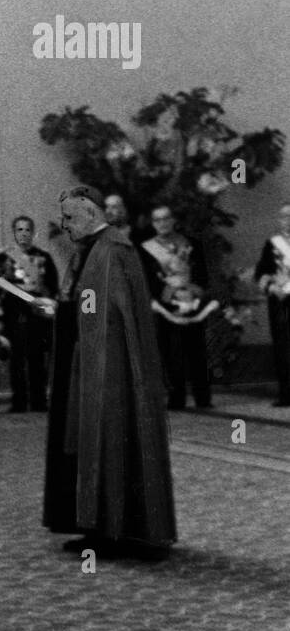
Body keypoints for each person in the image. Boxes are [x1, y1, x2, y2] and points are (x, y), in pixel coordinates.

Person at [36, 185, 175, 559]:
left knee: (112, 438)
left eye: (69, 217)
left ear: (91, 214)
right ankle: (98, 526)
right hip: (93, 362)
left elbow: (116, 318)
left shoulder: (112, 251)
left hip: (112, 369)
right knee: (92, 441)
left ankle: (116, 530)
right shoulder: (95, 249)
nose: (64, 225)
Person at [140, 204, 213, 411]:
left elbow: (202, 276)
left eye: (166, 218)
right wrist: (167, 295)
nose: (162, 223)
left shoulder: (191, 244)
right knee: (172, 353)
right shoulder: (146, 249)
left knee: (197, 351)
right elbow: (147, 280)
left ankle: (203, 397)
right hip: (165, 307)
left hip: (193, 302)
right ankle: (176, 398)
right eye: (157, 220)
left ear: (173, 220)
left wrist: (191, 291)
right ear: (153, 224)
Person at [0, 216, 59, 413]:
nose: (24, 234)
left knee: (37, 359)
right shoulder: (3, 258)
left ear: (33, 232)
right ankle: (18, 402)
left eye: (27, 230)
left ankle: (39, 401)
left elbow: (52, 288)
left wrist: (48, 309)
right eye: (19, 230)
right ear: (14, 232)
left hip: (37, 314)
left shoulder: (44, 257)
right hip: (13, 313)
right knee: (16, 360)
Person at [253, 203, 290, 408]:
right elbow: (261, 273)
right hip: (281, 300)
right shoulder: (272, 244)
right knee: (283, 347)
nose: (288, 220)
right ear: (279, 220)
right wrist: (271, 287)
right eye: (285, 216)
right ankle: (286, 394)